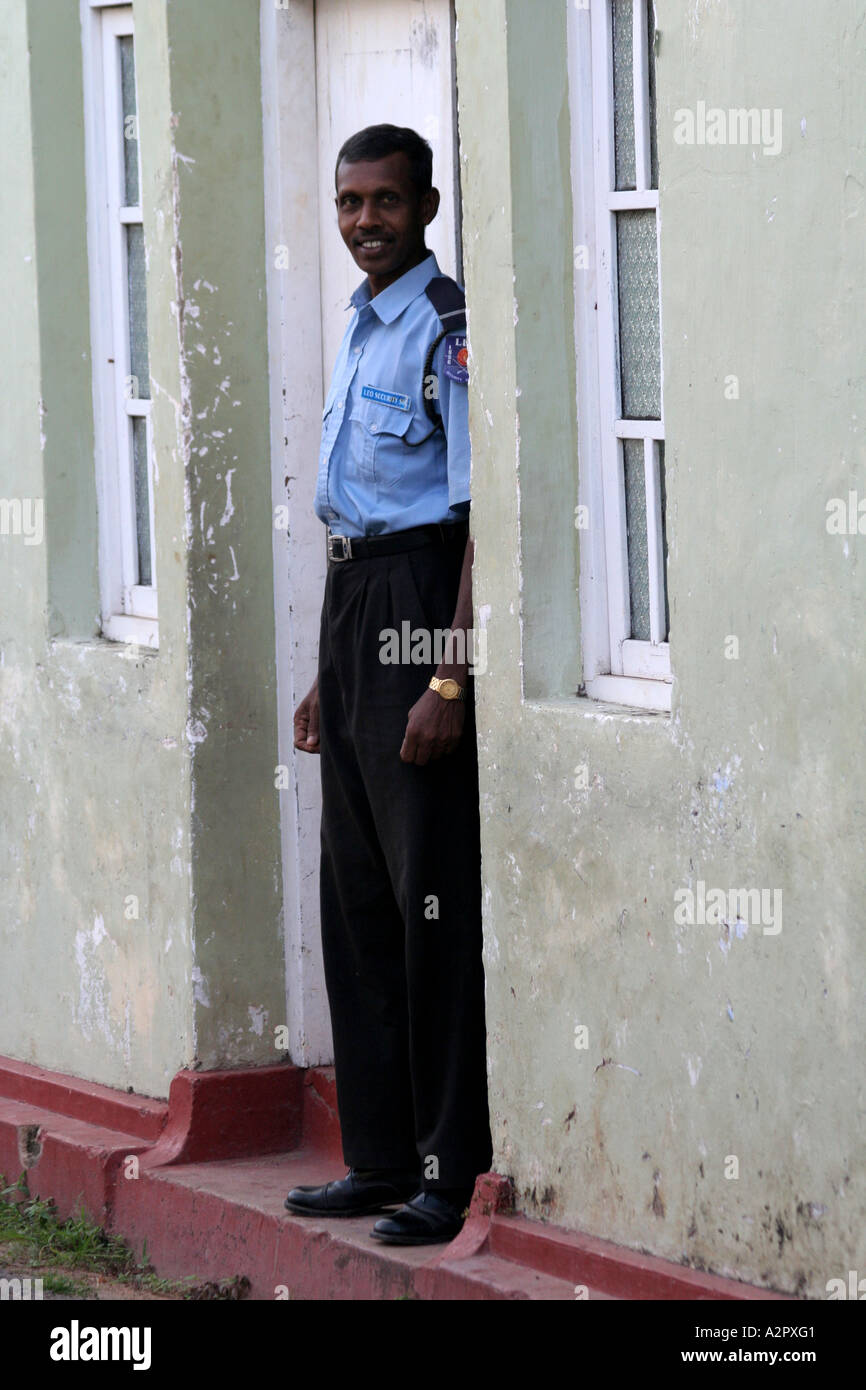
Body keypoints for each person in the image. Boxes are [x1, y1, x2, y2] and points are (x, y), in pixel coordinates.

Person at [284, 124, 492, 1246]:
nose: (365, 221)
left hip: (420, 604)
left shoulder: (443, 328)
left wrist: (447, 679)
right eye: (349, 202)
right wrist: (327, 673)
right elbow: (348, 516)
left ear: (426, 204)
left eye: (385, 202)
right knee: (357, 902)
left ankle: (443, 1168)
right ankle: (374, 1157)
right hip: (354, 605)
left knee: (429, 902)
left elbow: (473, 522)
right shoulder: (361, 325)